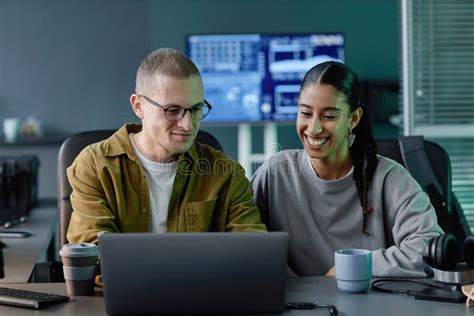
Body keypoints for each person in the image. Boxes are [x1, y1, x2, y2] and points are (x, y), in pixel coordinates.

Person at [251, 61, 443, 277]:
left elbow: (430, 248)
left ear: (353, 118)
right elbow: (243, 242)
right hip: (294, 304)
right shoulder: (274, 174)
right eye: (305, 113)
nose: (313, 128)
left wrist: (353, 267)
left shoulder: (390, 178)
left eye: (329, 116)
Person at [67, 48, 266, 245]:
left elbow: (251, 248)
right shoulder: (93, 166)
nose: (187, 125)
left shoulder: (227, 174)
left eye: (196, 109)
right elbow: (94, 251)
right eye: (172, 110)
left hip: (201, 279)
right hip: (126, 279)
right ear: (138, 106)